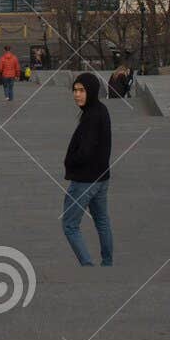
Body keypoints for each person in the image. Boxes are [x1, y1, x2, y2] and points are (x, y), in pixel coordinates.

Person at [63, 73, 114, 266]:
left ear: (91, 91)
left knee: (69, 225)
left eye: (82, 90)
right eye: (75, 90)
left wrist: (70, 161)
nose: (77, 95)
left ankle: (88, 265)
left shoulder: (91, 116)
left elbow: (86, 151)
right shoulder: (100, 110)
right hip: (102, 178)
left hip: (85, 180)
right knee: (102, 221)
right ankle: (107, 263)